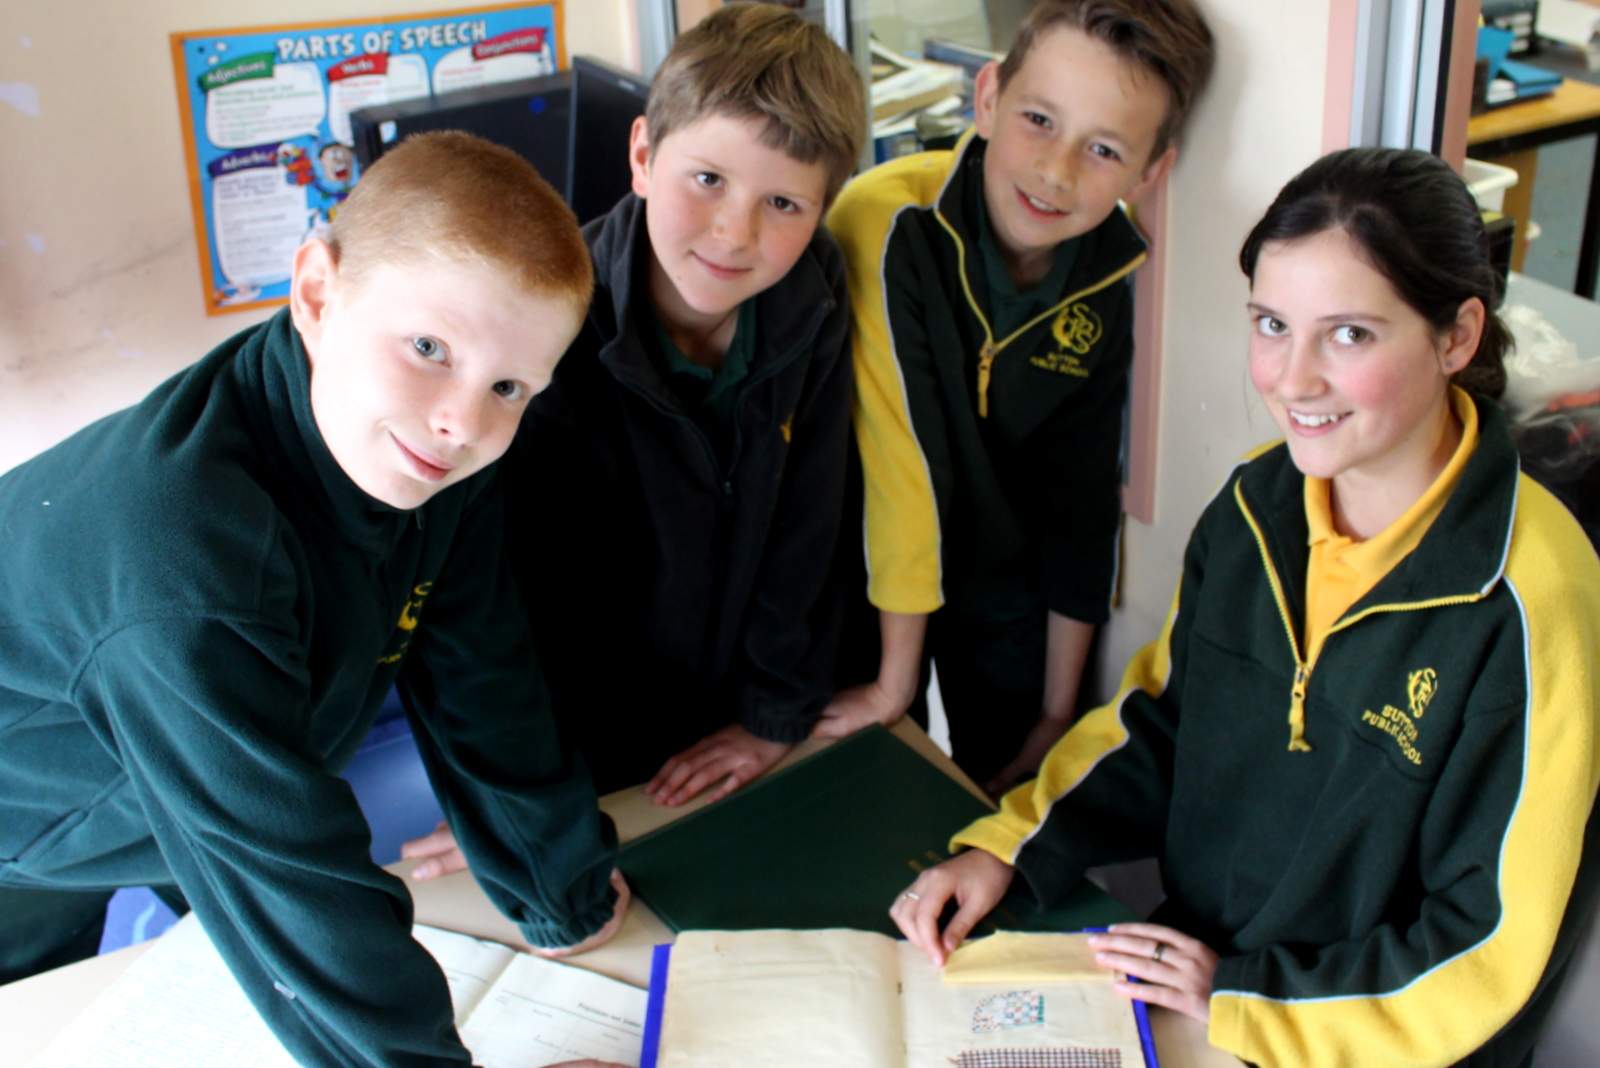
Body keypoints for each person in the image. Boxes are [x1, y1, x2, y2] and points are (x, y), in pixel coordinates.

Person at [890, 147, 1600, 1067]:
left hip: (1333, 1033)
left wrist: (1241, 1000)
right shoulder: (1254, 509)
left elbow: (1488, 950)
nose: (1292, 378)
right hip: (1192, 983)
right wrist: (1011, 847)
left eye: (1349, 335)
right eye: (1272, 324)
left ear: (1457, 336)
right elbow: (1158, 723)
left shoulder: (1533, 597)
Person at [0, 131, 628, 1066]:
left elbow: (482, 667)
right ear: (318, 293)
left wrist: (559, 887)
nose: (465, 422)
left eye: (510, 387)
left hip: (177, 767)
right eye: (428, 347)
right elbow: (287, 868)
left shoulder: (429, 449)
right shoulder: (185, 564)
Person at [442, 5, 863, 817]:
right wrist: (513, 791)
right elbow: (504, 581)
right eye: (707, 179)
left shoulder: (814, 293)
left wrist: (774, 716)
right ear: (641, 155)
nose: (733, 233)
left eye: (784, 205)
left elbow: (811, 516)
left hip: (750, 714)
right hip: (586, 731)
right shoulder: (549, 317)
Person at [819, 0, 1216, 796]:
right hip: (858, 563)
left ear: (1150, 172)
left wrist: (1056, 713)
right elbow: (905, 473)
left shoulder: (1106, 269)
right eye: (1039, 118)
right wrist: (899, 685)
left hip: (999, 578)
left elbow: (1079, 501)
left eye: (1103, 149)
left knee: (997, 791)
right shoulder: (887, 221)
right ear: (990, 95)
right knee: (856, 778)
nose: (1057, 171)